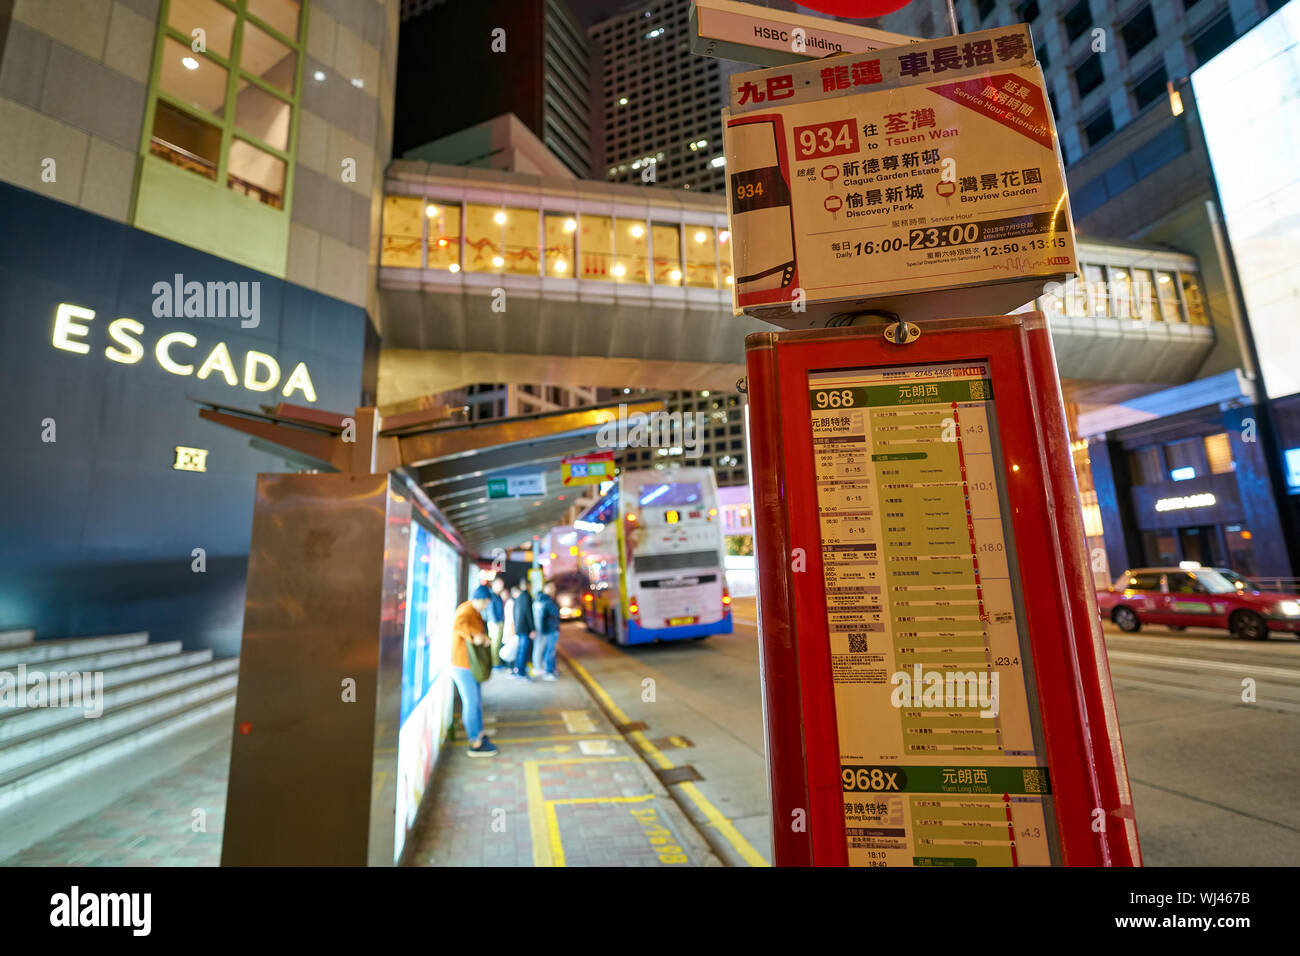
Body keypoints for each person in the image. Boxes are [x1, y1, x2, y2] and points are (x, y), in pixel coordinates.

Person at [451, 594, 498, 757]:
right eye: (485, 603)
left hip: (469, 665)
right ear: (480, 599)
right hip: (463, 665)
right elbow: (459, 624)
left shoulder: (473, 610)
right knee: (471, 702)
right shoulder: (466, 611)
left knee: (476, 702)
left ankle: (479, 734)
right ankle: (475, 743)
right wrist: (475, 636)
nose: (486, 606)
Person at [473, 576, 507, 668]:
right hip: (494, 623)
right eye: (500, 584)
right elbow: (491, 610)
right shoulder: (490, 595)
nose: (501, 586)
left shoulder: (497, 595)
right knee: (494, 643)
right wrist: (495, 622)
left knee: (497, 642)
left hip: (498, 622)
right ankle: (494, 663)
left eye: (502, 585)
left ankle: (495, 662)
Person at [531, 582, 562, 682]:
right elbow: (556, 612)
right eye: (551, 587)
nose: (553, 589)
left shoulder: (544, 599)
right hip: (551, 629)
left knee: (550, 650)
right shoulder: (547, 600)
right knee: (550, 651)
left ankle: (552, 670)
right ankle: (549, 672)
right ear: (546, 588)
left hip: (549, 629)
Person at [511, 580, 536, 681]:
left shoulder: (519, 597)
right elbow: (529, 614)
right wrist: (532, 628)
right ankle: (521, 673)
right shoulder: (527, 596)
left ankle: (517, 670)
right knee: (523, 651)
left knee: (520, 650)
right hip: (525, 629)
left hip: (519, 628)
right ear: (528, 586)